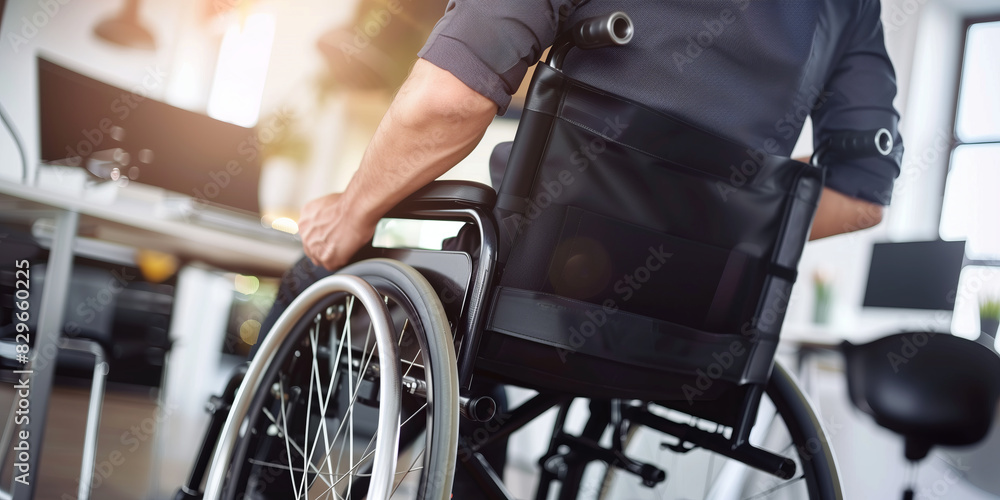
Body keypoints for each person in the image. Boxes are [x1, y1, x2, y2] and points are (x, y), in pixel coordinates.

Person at [258, 0, 903, 493]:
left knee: (319, 275)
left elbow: (446, 102)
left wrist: (352, 213)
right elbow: (861, 194)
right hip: (699, 337)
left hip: (534, 296)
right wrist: (725, 211)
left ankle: (255, 482)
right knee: (473, 378)